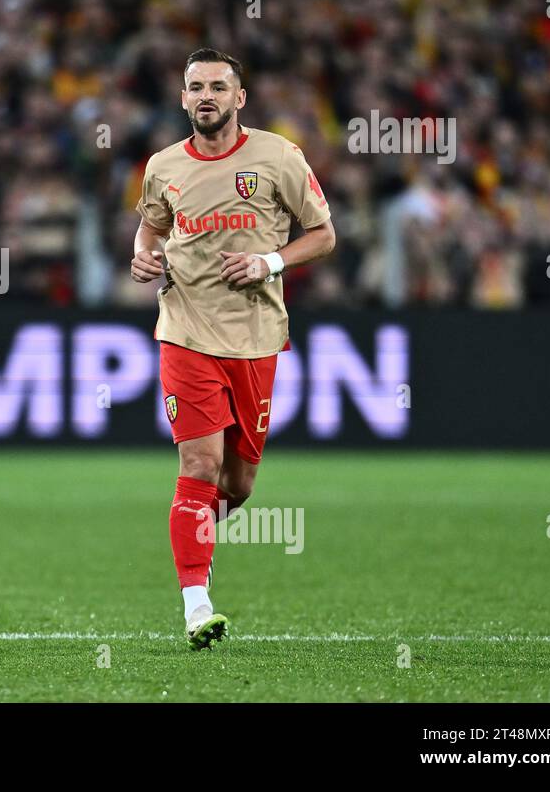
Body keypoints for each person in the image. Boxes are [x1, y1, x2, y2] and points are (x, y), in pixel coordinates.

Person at [131, 48, 337, 649]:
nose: (206, 97)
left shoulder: (278, 157)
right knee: (198, 468)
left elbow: (323, 234)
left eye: (218, 87)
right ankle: (196, 604)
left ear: (239, 98)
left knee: (239, 484)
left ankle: (193, 537)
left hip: (256, 339)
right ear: (182, 97)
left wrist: (270, 260)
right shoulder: (164, 166)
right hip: (186, 334)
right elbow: (150, 225)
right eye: (196, 86)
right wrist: (142, 254)